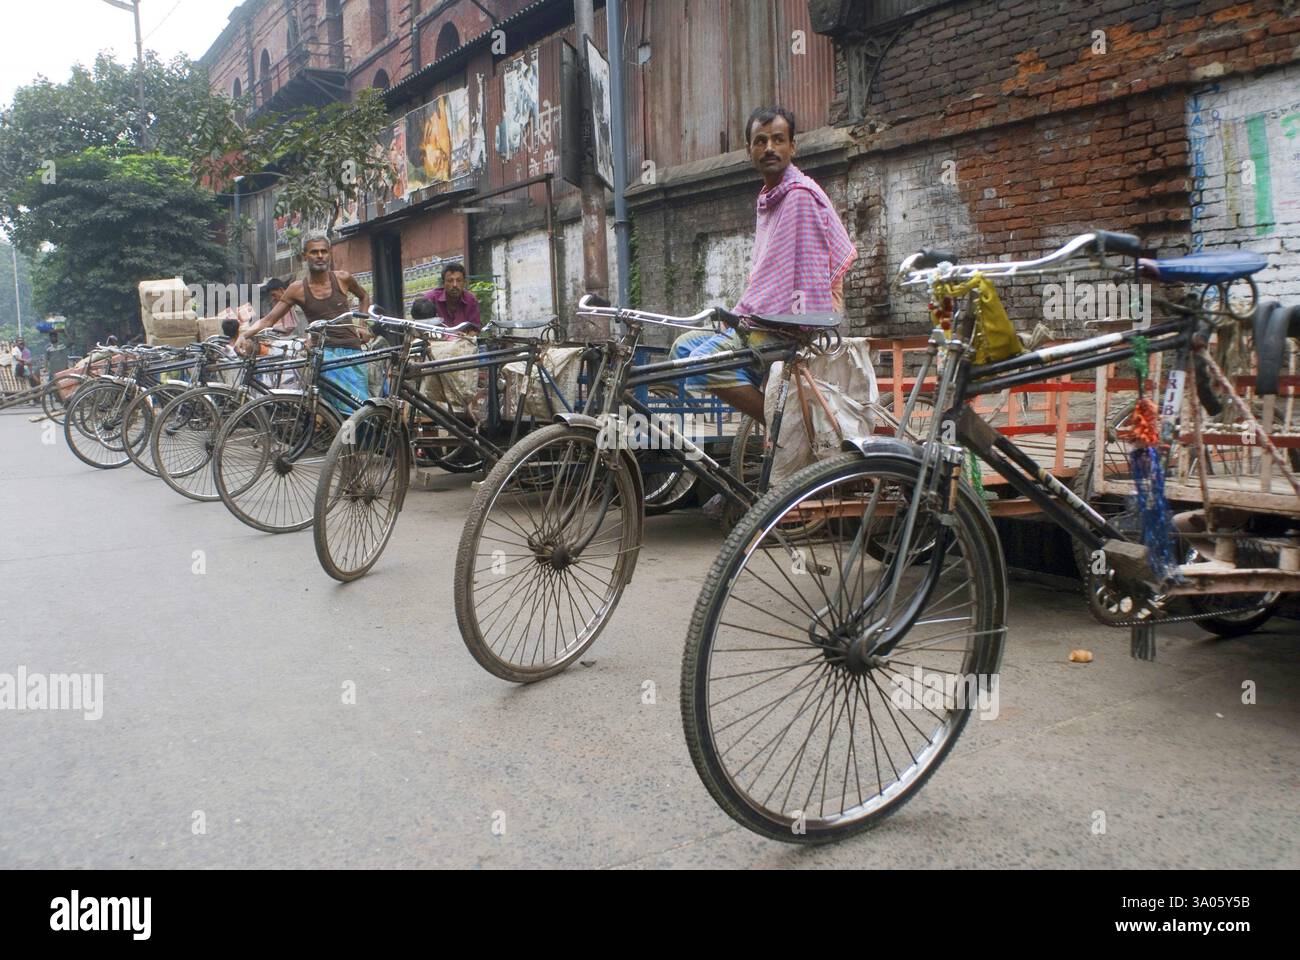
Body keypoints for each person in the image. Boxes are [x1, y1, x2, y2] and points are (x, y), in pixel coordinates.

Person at [670, 106, 857, 424]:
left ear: (792, 146)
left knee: (700, 361)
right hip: (764, 318)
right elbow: (767, 275)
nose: (769, 148)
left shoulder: (799, 196)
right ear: (749, 150)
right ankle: (757, 406)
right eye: (761, 141)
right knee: (682, 348)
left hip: (788, 324)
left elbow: (794, 281)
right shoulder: (770, 198)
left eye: (778, 140)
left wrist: (745, 317)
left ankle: (782, 427)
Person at [234, 231, 372, 412]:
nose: (320, 256)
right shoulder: (297, 289)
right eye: (314, 252)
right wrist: (243, 335)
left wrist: (361, 325)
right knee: (339, 410)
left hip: (352, 349)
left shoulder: (343, 278)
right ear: (304, 256)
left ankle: (363, 439)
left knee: (361, 407)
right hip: (324, 353)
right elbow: (268, 320)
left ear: (330, 253)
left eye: (324, 251)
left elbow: (364, 297)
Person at [418, 263, 481, 332]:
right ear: (443, 283)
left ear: (464, 282)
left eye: (459, 280)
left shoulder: (471, 300)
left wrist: (465, 338)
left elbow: (475, 329)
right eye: (450, 281)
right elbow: (419, 329)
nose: (455, 285)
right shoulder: (430, 299)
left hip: (463, 341)